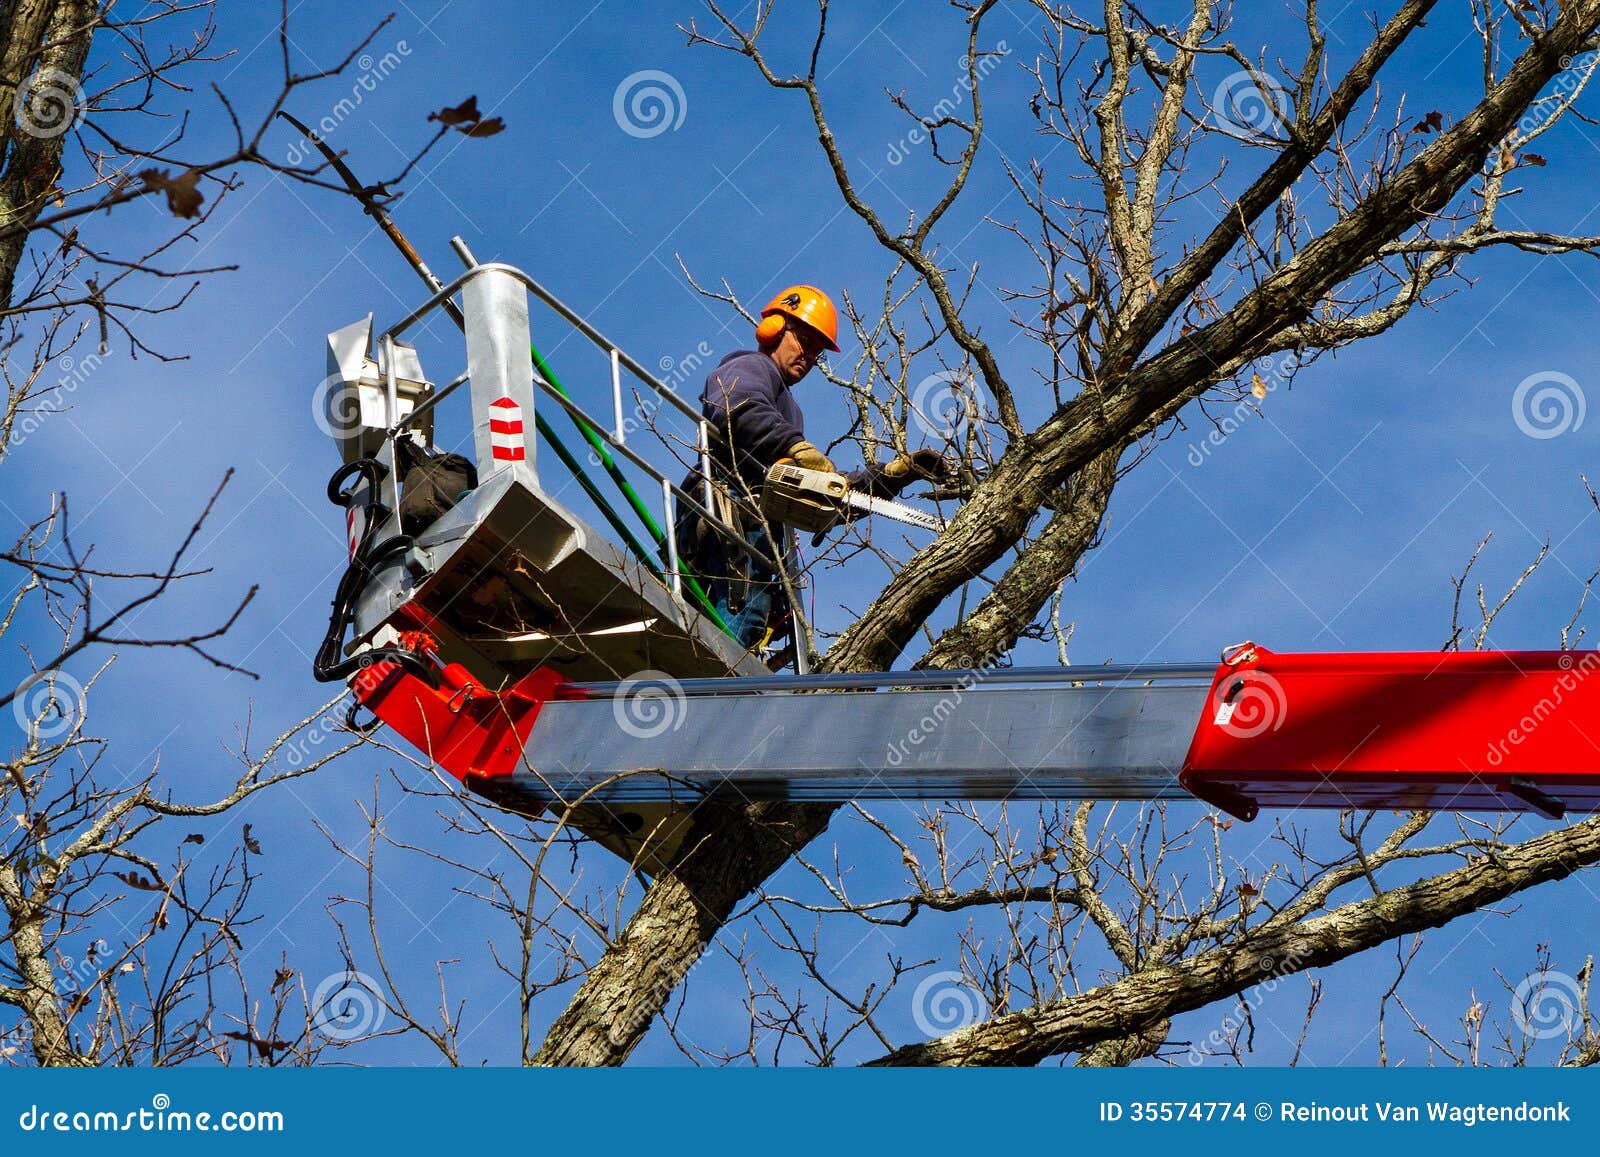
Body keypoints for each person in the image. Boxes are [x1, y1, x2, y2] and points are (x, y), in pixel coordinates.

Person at [677, 285, 949, 650]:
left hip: (759, 526)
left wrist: (891, 476)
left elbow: (822, 495)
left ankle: (714, 686)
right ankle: (713, 690)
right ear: (774, 328)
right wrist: (794, 446)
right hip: (730, 513)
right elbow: (738, 406)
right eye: (804, 340)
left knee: (746, 622)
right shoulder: (748, 366)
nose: (809, 355)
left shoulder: (790, 411)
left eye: (817, 352)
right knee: (738, 620)